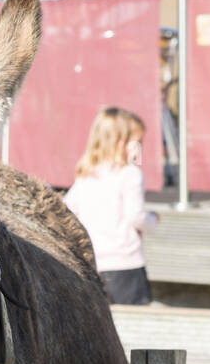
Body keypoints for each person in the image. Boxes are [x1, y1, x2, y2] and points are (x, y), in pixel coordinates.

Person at [64, 108, 157, 305]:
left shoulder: (86, 175)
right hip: (126, 265)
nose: (140, 149)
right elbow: (136, 216)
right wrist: (153, 220)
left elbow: (68, 210)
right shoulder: (130, 175)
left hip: (93, 264)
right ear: (121, 142)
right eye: (138, 143)